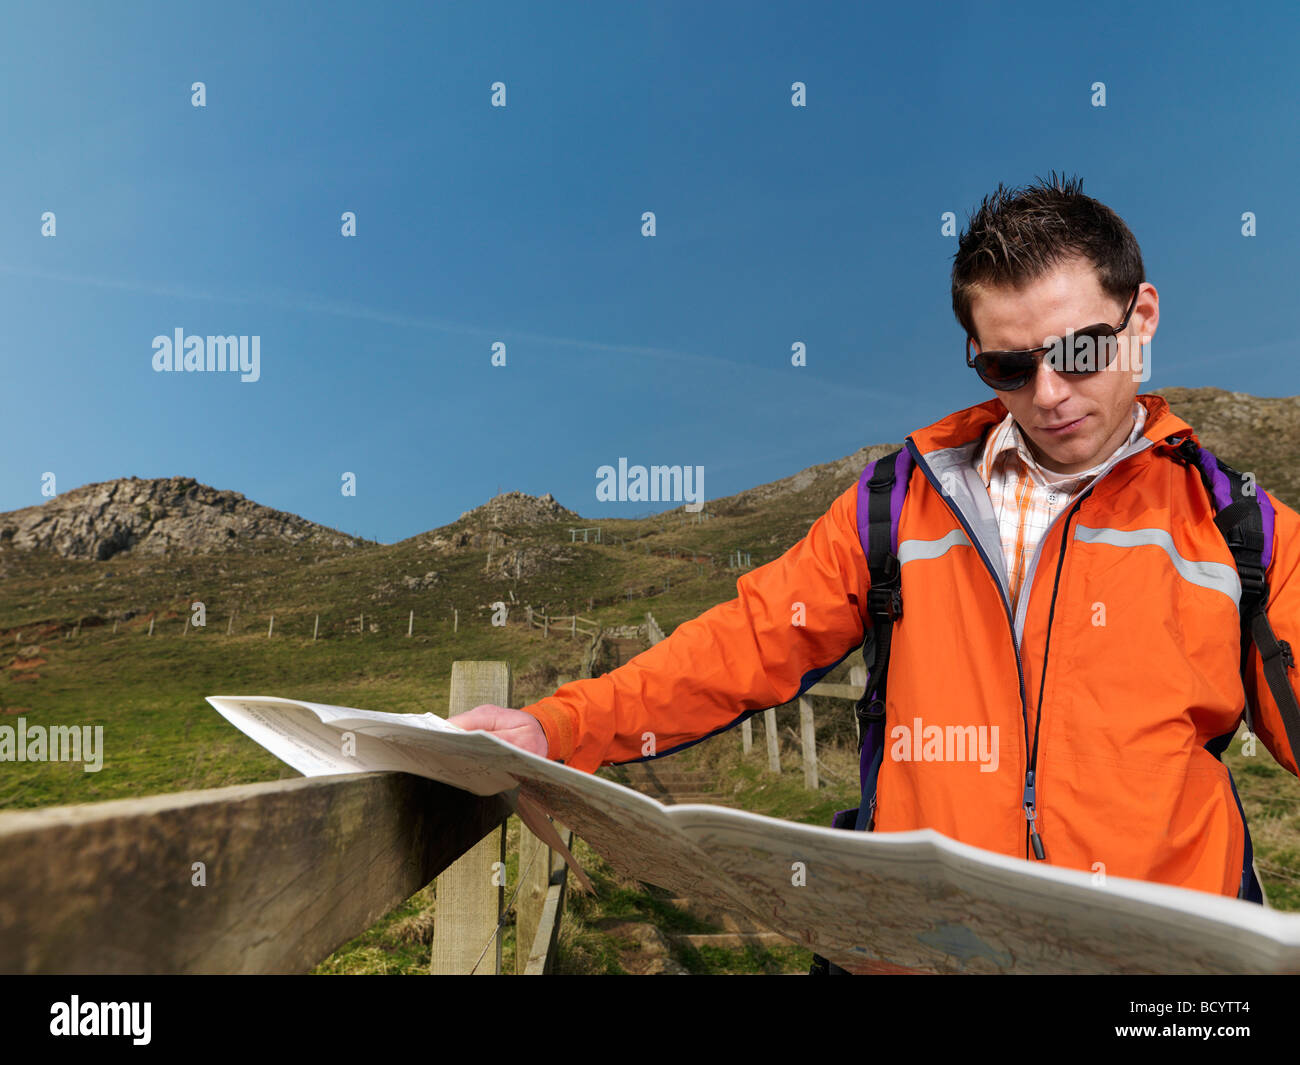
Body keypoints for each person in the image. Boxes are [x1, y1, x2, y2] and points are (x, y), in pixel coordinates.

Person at [451, 173, 1300, 901]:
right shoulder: (897, 505)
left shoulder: (1245, 528)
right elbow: (742, 643)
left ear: (1140, 318)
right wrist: (557, 727)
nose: (1048, 393)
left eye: (1079, 350)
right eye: (1008, 366)